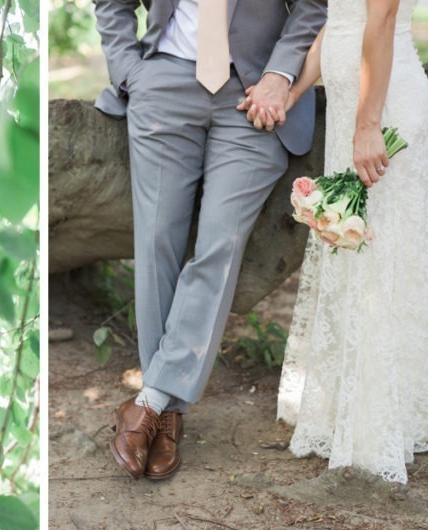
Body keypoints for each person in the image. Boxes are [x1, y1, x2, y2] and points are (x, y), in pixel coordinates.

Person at [93, 0, 327, 479]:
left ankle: (149, 402)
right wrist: (130, 70)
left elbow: (314, 6)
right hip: (163, 81)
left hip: (256, 94)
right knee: (156, 242)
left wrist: (281, 74)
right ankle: (167, 417)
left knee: (221, 246)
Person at [277, 0, 428, 484]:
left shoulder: (371, 119)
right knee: (357, 256)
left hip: (381, 107)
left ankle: (377, 426)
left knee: (379, 255)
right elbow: (337, 20)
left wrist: (368, 125)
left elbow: (381, 21)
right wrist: (294, 90)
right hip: (355, 107)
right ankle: (346, 411)